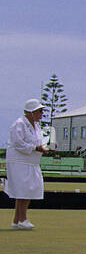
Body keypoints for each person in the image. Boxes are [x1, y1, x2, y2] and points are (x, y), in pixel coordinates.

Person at [6, 98, 50, 228]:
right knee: (23, 190)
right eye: (39, 111)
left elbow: (37, 142)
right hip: (19, 162)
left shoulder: (36, 126)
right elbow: (18, 143)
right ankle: (22, 219)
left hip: (31, 162)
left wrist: (45, 147)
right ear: (31, 112)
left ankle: (17, 221)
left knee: (28, 189)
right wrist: (36, 148)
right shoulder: (18, 124)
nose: (41, 114)